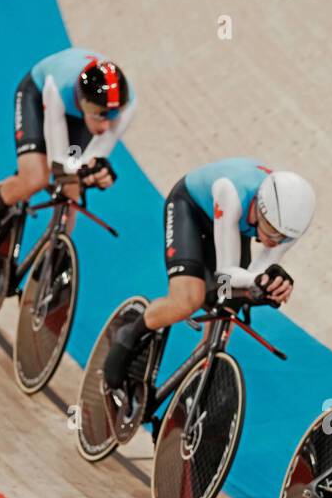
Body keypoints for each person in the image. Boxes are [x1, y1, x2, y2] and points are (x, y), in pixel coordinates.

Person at [101, 158, 316, 410]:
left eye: (282, 237)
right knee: (187, 300)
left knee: (229, 304)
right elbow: (226, 273)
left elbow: (252, 276)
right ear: (259, 208)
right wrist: (255, 280)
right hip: (190, 209)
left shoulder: (289, 225)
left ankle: (194, 382)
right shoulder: (231, 192)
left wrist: (265, 287)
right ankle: (130, 334)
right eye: (270, 230)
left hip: (231, 227)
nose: (273, 240)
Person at [0, 48, 136, 269]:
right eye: (101, 115)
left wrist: (96, 170)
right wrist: (77, 170)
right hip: (39, 96)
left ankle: (50, 261)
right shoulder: (59, 88)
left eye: (112, 115)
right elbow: (57, 160)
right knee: (36, 177)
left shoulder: (126, 104)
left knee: (71, 192)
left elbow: (98, 153)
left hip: (80, 115)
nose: (106, 124)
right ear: (87, 104)